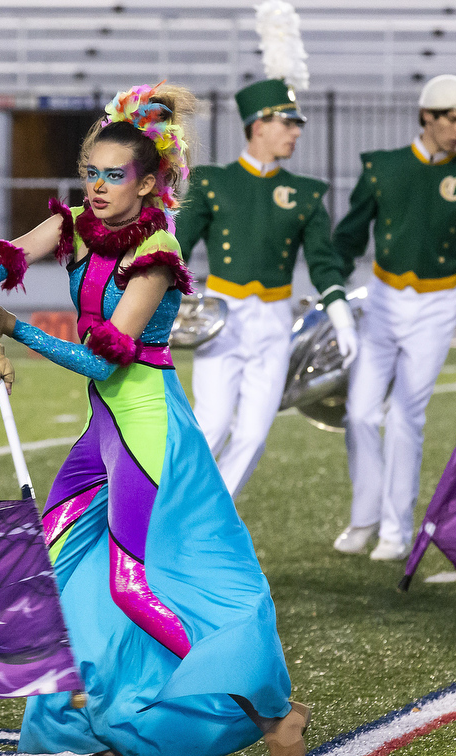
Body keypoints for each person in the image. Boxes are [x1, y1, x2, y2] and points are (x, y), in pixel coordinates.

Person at [0, 83, 310, 756]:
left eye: (112, 175)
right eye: (88, 172)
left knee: (133, 584)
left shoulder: (155, 254)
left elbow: (104, 363)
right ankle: (90, 714)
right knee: (52, 560)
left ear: (147, 182)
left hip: (148, 429)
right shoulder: (70, 226)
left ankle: (273, 712)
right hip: (103, 434)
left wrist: (20, 332)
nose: (95, 186)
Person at [330, 74, 456, 561]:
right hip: (383, 299)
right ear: (426, 115)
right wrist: (332, 289)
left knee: (407, 416)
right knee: (360, 412)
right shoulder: (382, 168)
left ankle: (394, 529)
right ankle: (365, 516)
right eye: (452, 118)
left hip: (437, 304)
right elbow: (348, 237)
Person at [175, 78, 357, 498]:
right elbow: (177, 247)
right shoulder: (212, 183)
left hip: (276, 322)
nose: (296, 133)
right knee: (213, 424)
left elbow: (323, 263)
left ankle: (205, 517)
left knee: (253, 437)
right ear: (259, 125)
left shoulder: (306, 194)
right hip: (222, 318)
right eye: (289, 123)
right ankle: (173, 509)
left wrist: (342, 317)